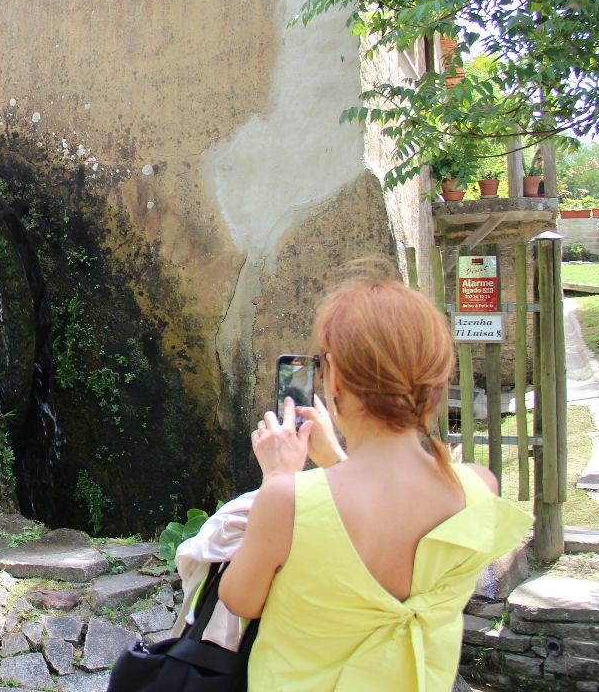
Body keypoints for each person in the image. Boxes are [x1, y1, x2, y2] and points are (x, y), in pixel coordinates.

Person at [218, 263, 532, 692]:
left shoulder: (287, 500)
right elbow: (378, 511)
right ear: (438, 379)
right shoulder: (480, 489)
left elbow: (240, 599)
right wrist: (333, 459)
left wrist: (278, 476)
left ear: (337, 379)